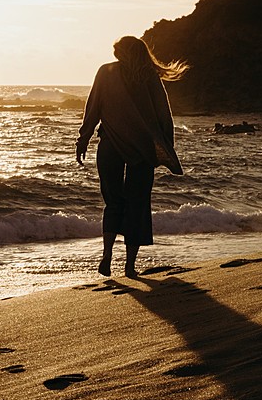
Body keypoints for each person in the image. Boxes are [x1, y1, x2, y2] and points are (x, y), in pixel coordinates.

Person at [76, 36, 187, 277]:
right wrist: (166, 149)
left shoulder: (106, 72)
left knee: (113, 202)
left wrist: (83, 139)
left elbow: (93, 108)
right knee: (137, 205)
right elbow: (164, 116)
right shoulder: (150, 77)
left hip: (110, 145)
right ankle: (129, 266)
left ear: (125, 52)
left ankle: (107, 255)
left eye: (118, 49)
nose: (114, 53)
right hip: (143, 150)